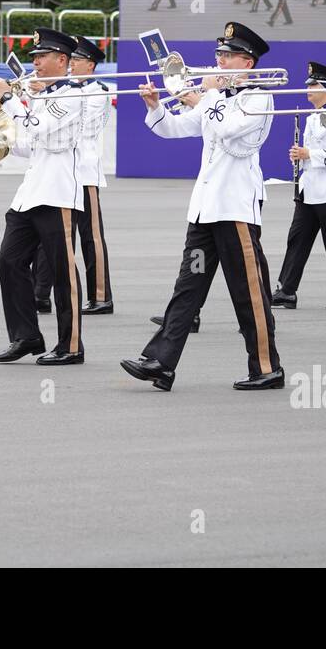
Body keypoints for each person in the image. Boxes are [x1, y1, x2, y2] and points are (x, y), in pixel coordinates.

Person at [120, 22, 283, 391]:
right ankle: (161, 361)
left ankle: (267, 367)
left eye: (227, 56)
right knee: (187, 288)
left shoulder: (258, 97)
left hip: (236, 211)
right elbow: (175, 129)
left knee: (248, 293)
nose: (218, 62)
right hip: (205, 211)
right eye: (218, 55)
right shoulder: (217, 100)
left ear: (248, 62)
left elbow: (227, 131)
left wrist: (205, 98)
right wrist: (156, 107)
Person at [0, 28, 87, 365]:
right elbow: (27, 145)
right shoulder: (41, 98)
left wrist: (9, 100)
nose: (36, 63)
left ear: (63, 60)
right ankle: (26, 336)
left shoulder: (72, 95)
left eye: (42, 57)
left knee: (63, 272)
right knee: (9, 260)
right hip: (30, 193)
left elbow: (36, 128)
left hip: (58, 193)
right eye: (34, 58)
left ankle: (71, 345)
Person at [32, 36, 114, 315]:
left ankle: (101, 295)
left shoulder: (96, 91)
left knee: (91, 236)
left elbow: (84, 127)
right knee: (51, 233)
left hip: (86, 169)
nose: (72, 65)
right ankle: (41, 293)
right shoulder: (60, 91)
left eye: (77, 61)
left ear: (90, 66)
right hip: (63, 171)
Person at [272, 62, 326, 310]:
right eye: (309, 83)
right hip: (309, 189)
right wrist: (300, 155)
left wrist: (310, 153)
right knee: (297, 239)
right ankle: (286, 290)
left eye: (314, 84)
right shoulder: (312, 117)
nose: (308, 88)